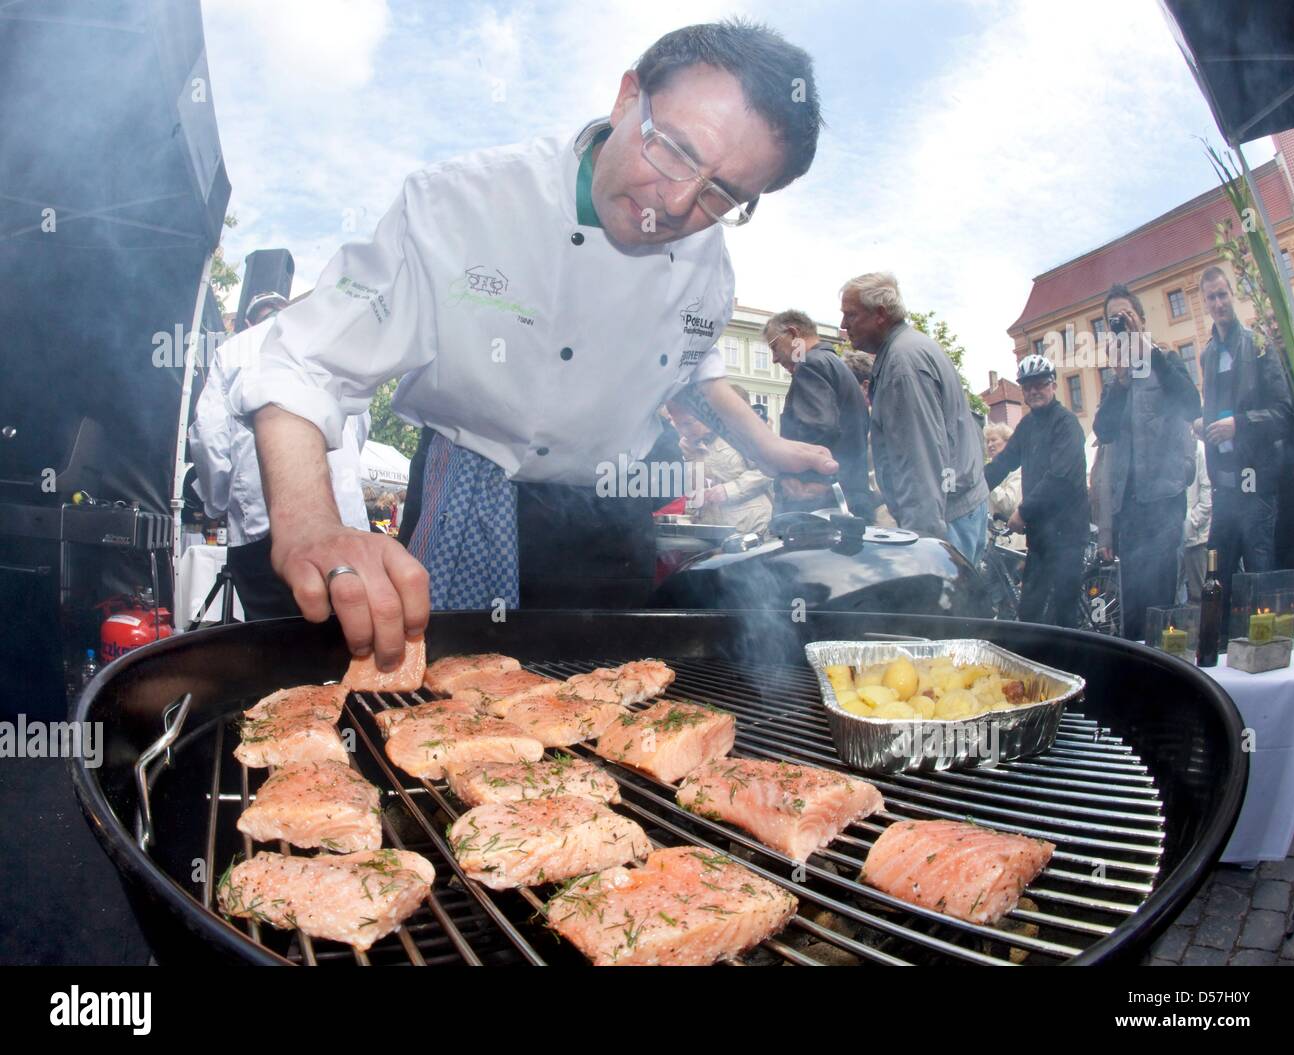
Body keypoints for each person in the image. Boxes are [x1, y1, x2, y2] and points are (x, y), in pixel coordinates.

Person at [228, 20, 837, 669]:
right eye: (676, 152)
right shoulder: (461, 204)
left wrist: (766, 447)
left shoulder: (709, 266)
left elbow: (696, 362)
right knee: (449, 709)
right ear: (628, 98)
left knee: (612, 710)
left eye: (723, 194)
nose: (681, 201)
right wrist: (311, 525)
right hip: (475, 499)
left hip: (611, 524)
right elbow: (304, 360)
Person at [188, 319, 371, 620]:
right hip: (346, 521)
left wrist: (215, 502)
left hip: (260, 529)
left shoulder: (235, 348)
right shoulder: (333, 343)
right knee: (345, 635)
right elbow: (359, 426)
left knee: (273, 645)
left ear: (248, 320)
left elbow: (209, 437)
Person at [841, 272, 989, 564]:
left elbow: (921, 460)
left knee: (942, 609)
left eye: (851, 315)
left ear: (880, 315)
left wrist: (926, 549)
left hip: (946, 521)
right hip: (958, 511)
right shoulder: (909, 348)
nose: (844, 325)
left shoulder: (902, 364)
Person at [1092, 282, 1201, 639]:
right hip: (1131, 510)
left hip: (1164, 502)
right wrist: (1120, 382)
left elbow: (1191, 404)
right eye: (1113, 321)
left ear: (1140, 318)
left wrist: (1147, 350)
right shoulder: (1116, 378)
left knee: (1165, 605)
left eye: (1126, 316)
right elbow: (1103, 431)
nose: (1120, 324)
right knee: (1134, 610)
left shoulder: (1165, 360)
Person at [1194, 265, 1294, 613]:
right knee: (1216, 577)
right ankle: (1218, 653)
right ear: (1205, 302)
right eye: (1211, 297)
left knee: (1259, 575)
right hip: (1224, 486)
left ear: (1232, 295)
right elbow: (1214, 410)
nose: (1218, 303)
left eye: (1223, 294)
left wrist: (1239, 424)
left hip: (1256, 481)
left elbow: (1283, 414)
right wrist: (1203, 425)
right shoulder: (1207, 354)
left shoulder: (1258, 345)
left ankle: (1270, 652)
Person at [983, 355, 1088, 626]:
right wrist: (972, 491)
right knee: (1030, 609)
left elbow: (1059, 478)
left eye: (1039, 385)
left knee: (1062, 611)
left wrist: (1023, 512)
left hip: (1068, 533)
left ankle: (1066, 664)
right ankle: (1031, 660)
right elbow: (1003, 464)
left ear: (1052, 386)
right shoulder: (1028, 425)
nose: (1033, 392)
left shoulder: (1067, 424)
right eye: (1027, 387)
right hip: (1040, 536)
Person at [763, 308, 873, 515]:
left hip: (819, 503)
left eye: (775, 346)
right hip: (847, 496)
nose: (775, 359)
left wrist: (801, 482)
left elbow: (815, 429)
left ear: (794, 335)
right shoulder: (834, 365)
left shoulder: (810, 365)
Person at [666, 394, 772, 534]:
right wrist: (692, 508)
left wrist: (729, 490)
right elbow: (694, 486)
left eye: (688, 423)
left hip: (753, 527)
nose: (683, 431)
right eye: (678, 424)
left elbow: (768, 470)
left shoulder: (738, 432)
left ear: (705, 415)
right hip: (712, 530)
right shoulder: (685, 445)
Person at [984, 422, 1025, 551]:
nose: (990, 445)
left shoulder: (1017, 470)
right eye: (987, 441)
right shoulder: (988, 469)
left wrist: (989, 483)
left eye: (994, 440)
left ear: (1008, 442)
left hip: (1012, 543)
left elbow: (1009, 503)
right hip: (993, 541)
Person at [1180, 438, 1211, 602]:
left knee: (1200, 594)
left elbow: (1207, 490)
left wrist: (1192, 521)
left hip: (1195, 536)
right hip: (1175, 534)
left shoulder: (1199, 449)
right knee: (1175, 594)